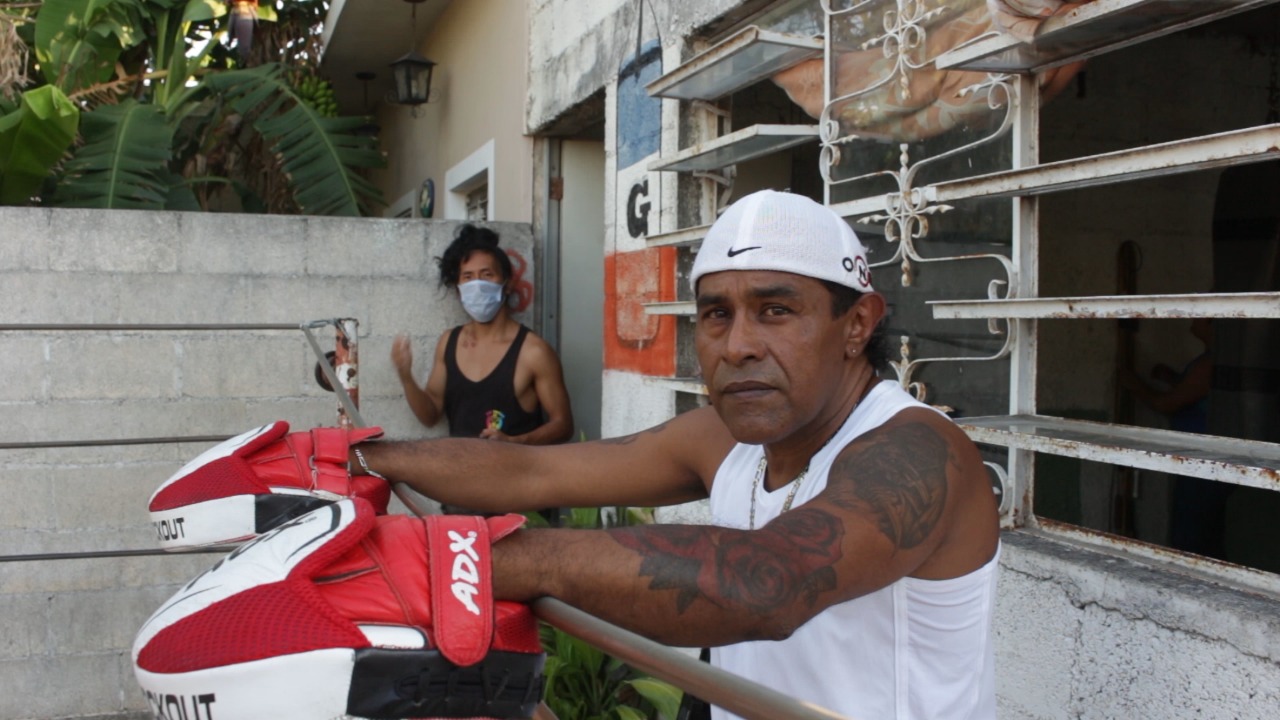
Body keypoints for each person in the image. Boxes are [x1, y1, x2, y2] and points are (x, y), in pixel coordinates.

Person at [355, 191, 1002, 719]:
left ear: (857, 324)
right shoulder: (724, 440)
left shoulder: (918, 451)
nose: (738, 345)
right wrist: (358, 458)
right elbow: (531, 469)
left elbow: (768, 584)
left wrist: (451, 562)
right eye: (716, 315)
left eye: (776, 310)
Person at [391, 223, 574, 447]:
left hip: (516, 478)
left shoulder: (533, 352)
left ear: (506, 284)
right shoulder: (449, 342)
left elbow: (563, 425)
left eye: (487, 275)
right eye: (468, 277)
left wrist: (514, 442)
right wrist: (406, 377)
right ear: (458, 289)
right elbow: (430, 415)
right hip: (459, 478)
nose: (477, 285)